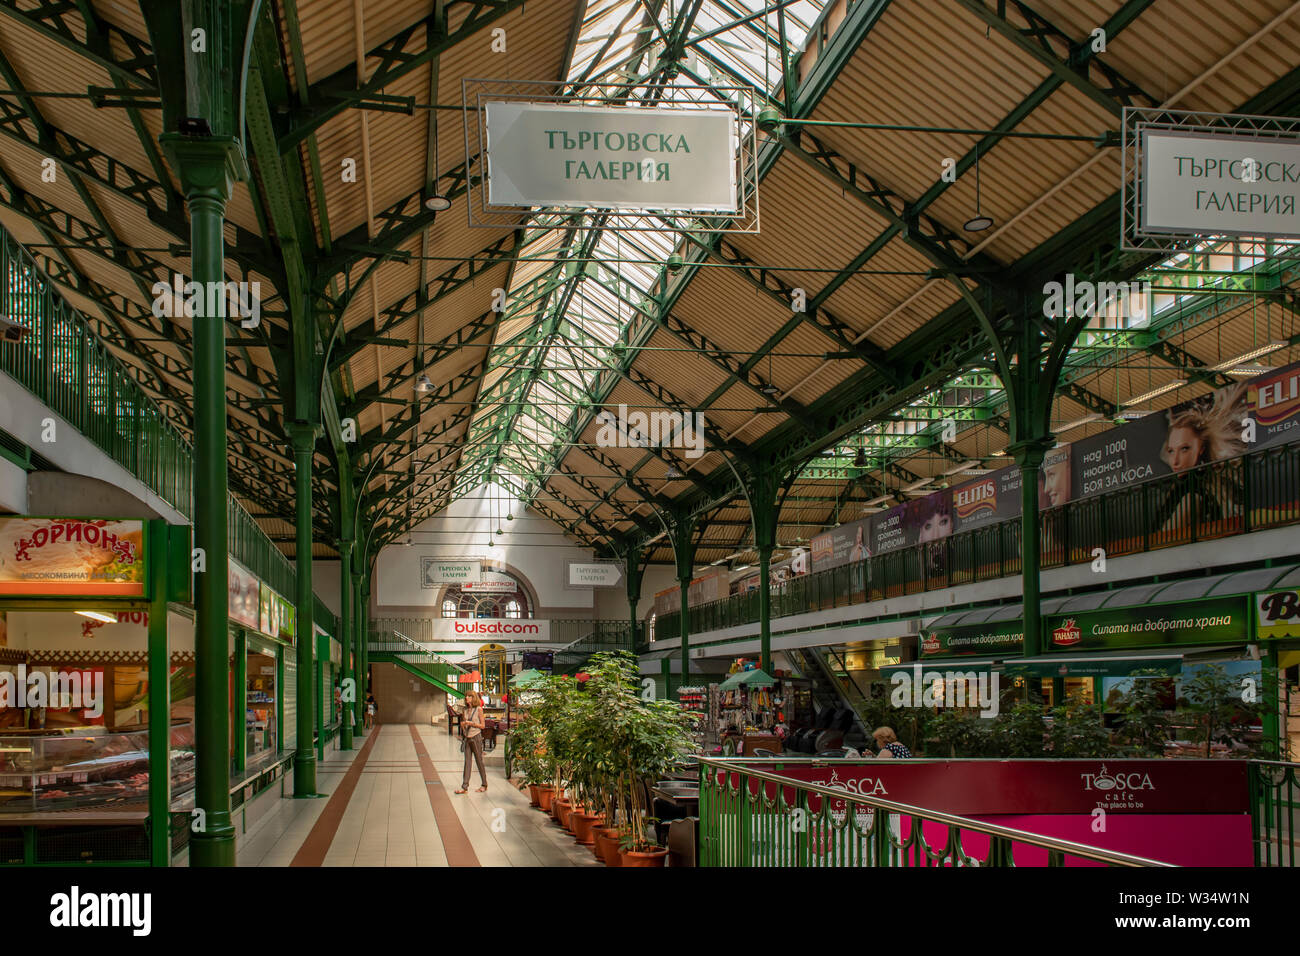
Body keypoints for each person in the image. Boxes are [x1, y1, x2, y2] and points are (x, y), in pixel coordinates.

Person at [1154, 384, 1248, 534]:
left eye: (1185, 449)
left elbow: (1164, 538)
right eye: (1171, 451)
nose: (1175, 460)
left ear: (1201, 449)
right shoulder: (1192, 487)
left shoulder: (1193, 495)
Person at [455, 691, 488, 794]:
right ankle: (464, 787)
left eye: (469, 696)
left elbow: (482, 726)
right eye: (466, 696)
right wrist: (463, 726)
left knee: (479, 761)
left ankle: (484, 784)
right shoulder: (464, 710)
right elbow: (464, 724)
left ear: (473, 698)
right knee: (467, 762)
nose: (466, 698)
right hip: (468, 738)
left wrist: (471, 723)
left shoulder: (478, 709)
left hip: (476, 737)